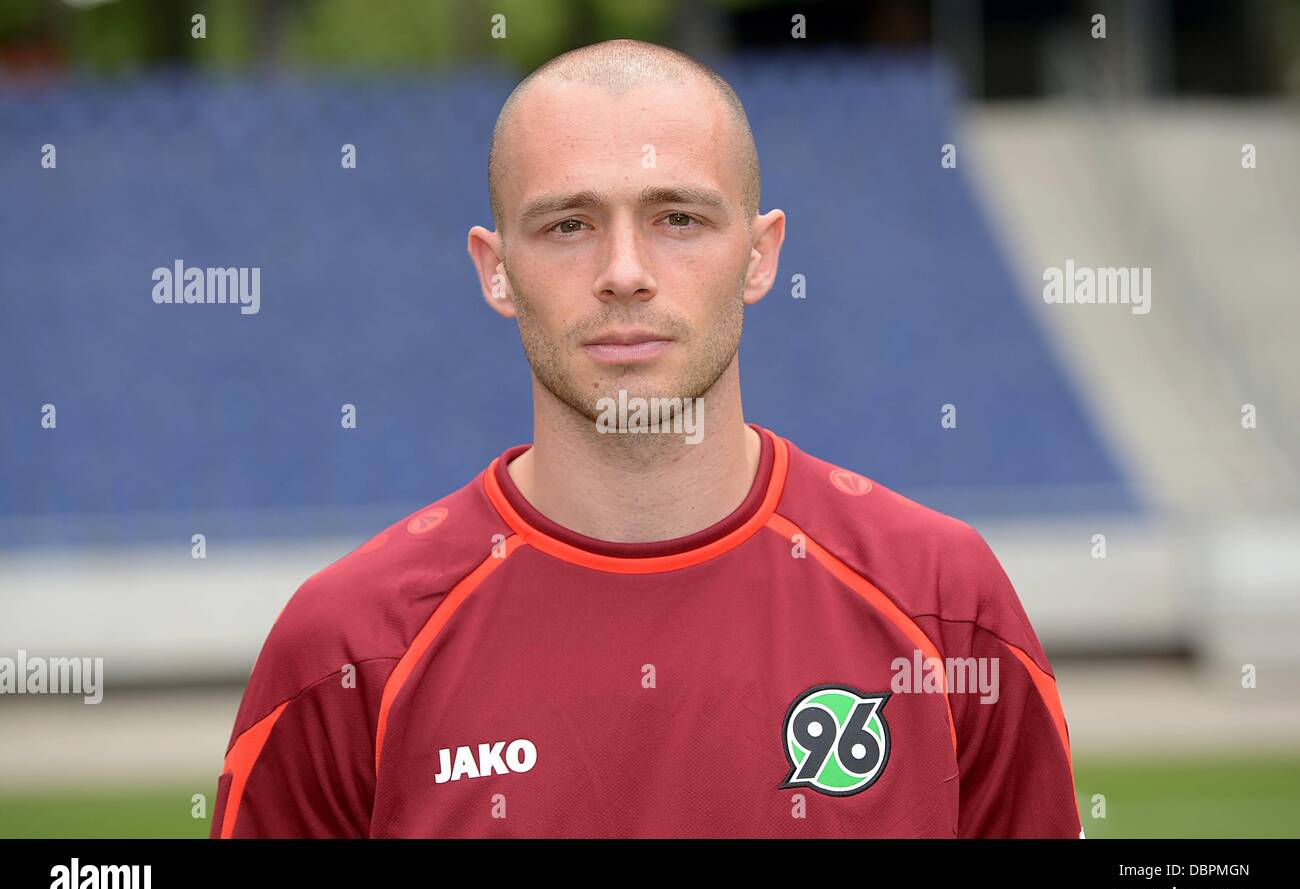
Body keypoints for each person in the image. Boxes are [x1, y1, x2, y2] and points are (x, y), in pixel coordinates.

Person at [210, 38, 1081, 838]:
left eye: (678, 219)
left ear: (761, 255)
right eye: (569, 226)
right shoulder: (349, 650)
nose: (624, 273)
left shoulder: (944, 606)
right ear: (496, 270)